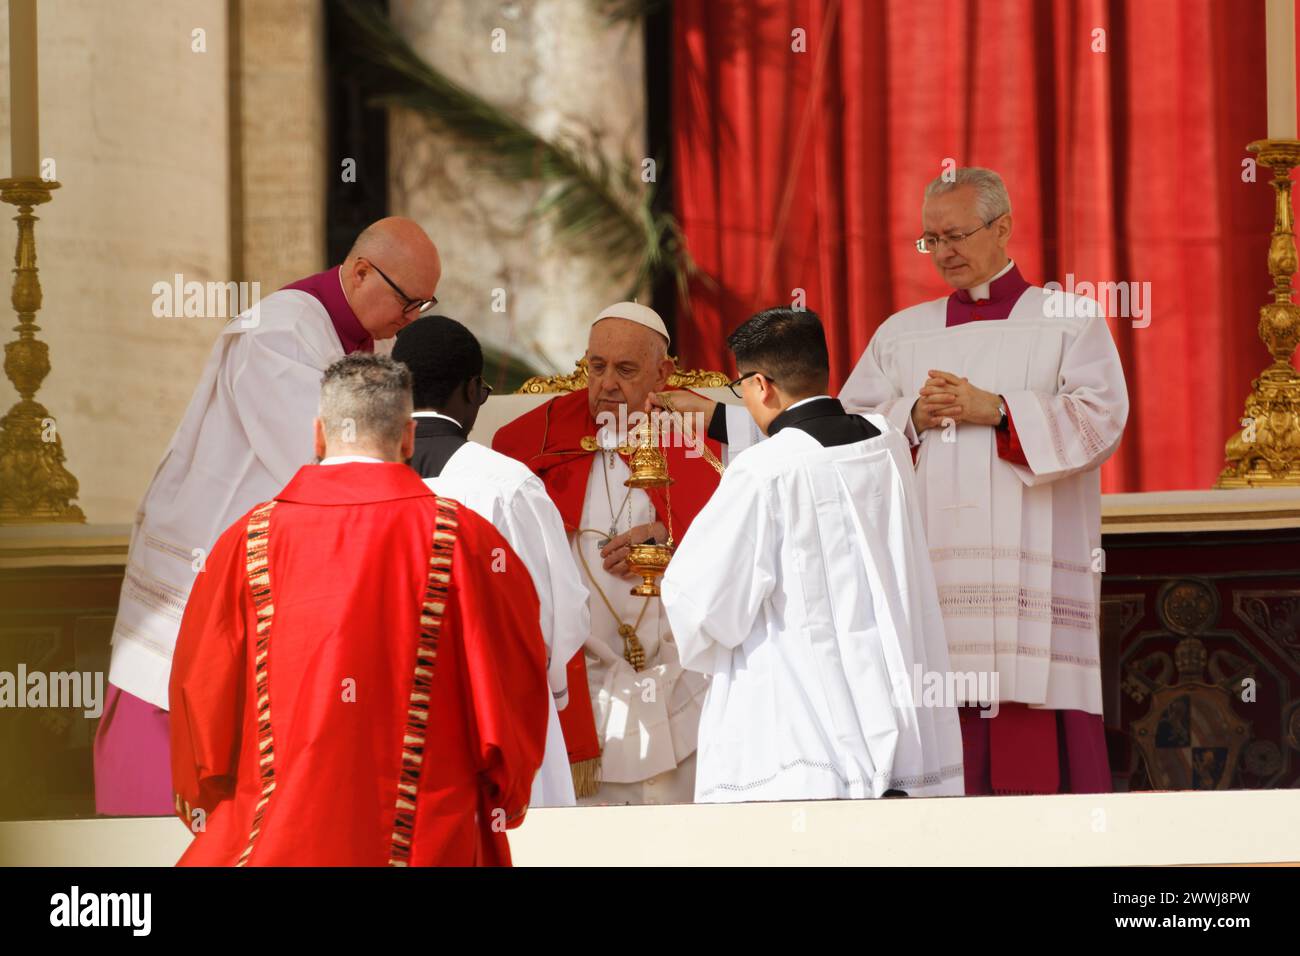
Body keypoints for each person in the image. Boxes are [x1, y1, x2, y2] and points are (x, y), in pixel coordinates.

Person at [97, 218, 441, 816]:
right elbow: (321, 457)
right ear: (361, 272)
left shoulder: (345, 338)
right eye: (408, 303)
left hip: (256, 568)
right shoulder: (280, 331)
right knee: (175, 731)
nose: (410, 320)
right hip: (203, 565)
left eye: (424, 307)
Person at [169, 355, 548, 866]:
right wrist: (504, 791)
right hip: (428, 837)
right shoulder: (465, 540)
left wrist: (214, 795)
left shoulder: (245, 541)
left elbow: (202, 694)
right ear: (408, 439)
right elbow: (514, 681)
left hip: (276, 835)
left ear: (319, 436)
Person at [839, 167, 1129, 795]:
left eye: (956, 235)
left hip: (1031, 566)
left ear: (1003, 229)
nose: (943, 252)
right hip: (933, 568)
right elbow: (851, 438)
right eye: (930, 239)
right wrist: (911, 417)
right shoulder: (901, 334)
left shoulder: (1068, 320)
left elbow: (1101, 418)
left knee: (1032, 737)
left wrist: (995, 410)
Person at [659, 308, 964, 802]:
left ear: (761, 385)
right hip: (893, 696)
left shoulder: (763, 472)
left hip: (800, 726)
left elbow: (707, 606)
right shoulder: (884, 441)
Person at [492, 303, 722, 804]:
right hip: (585, 672)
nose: (607, 384)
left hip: (680, 667)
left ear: (663, 373)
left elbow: (733, 543)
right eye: (597, 367)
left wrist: (671, 542)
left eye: (626, 370)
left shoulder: (699, 439)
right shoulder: (536, 440)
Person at [392, 314, 589, 808]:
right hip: (496, 717)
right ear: (474, 390)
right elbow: (559, 617)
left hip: (389, 724)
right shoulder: (506, 486)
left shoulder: (358, 480)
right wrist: (553, 689)